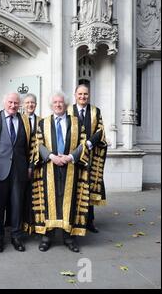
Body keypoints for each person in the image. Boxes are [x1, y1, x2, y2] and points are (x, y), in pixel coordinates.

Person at [32, 92, 90, 253]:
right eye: (55, 102)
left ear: (66, 105)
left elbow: (84, 143)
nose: (58, 105)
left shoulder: (76, 122)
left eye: (61, 102)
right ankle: (47, 237)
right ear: (52, 105)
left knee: (68, 200)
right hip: (49, 167)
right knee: (49, 200)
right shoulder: (43, 123)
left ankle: (68, 237)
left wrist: (71, 156)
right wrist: (51, 156)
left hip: (70, 166)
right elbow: (38, 143)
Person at [0, 93, 32, 253]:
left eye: (16, 103)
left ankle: (16, 236)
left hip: (19, 170)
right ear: (4, 102)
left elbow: (31, 145)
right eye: (10, 102)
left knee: (17, 204)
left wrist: (29, 166)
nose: (13, 105)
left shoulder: (25, 120)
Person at [68, 84, 107, 233]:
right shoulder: (69, 110)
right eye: (80, 94)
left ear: (88, 95)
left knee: (88, 188)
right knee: (73, 189)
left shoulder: (95, 111)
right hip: (73, 156)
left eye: (85, 94)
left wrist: (90, 143)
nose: (82, 97)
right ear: (75, 95)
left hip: (89, 156)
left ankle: (89, 221)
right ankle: (72, 220)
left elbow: (100, 130)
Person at [22, 93, 42, 233]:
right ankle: (21, 224)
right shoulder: (19, 119)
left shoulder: (42, 121)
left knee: (35, 195)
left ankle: (34, 224)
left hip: (37, 164)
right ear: (23, 105)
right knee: (21, 195)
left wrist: (33, 163)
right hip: (21, 164)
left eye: (33, 103)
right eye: (28, 102)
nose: (30, 105)